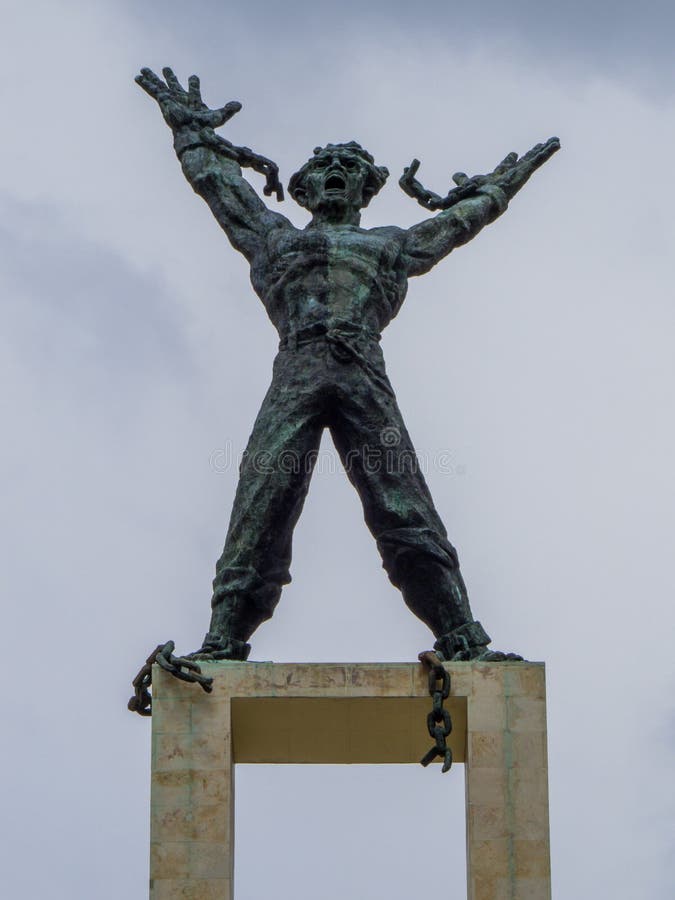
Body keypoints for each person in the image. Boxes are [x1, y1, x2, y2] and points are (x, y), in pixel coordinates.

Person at [136, 66, 559, 662]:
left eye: (350, 167)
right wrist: (189, 133)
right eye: (325, 166)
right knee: (262, 499)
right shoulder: (274, 238)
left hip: (362, 369)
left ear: (366, 188)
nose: (336, 171)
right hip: (298, 366)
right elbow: (220, 186)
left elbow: (458, 223)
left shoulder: (389, 244)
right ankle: (223, 640)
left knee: (404, 502)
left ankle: (462, 637)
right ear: (303, 188)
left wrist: (496, 192)